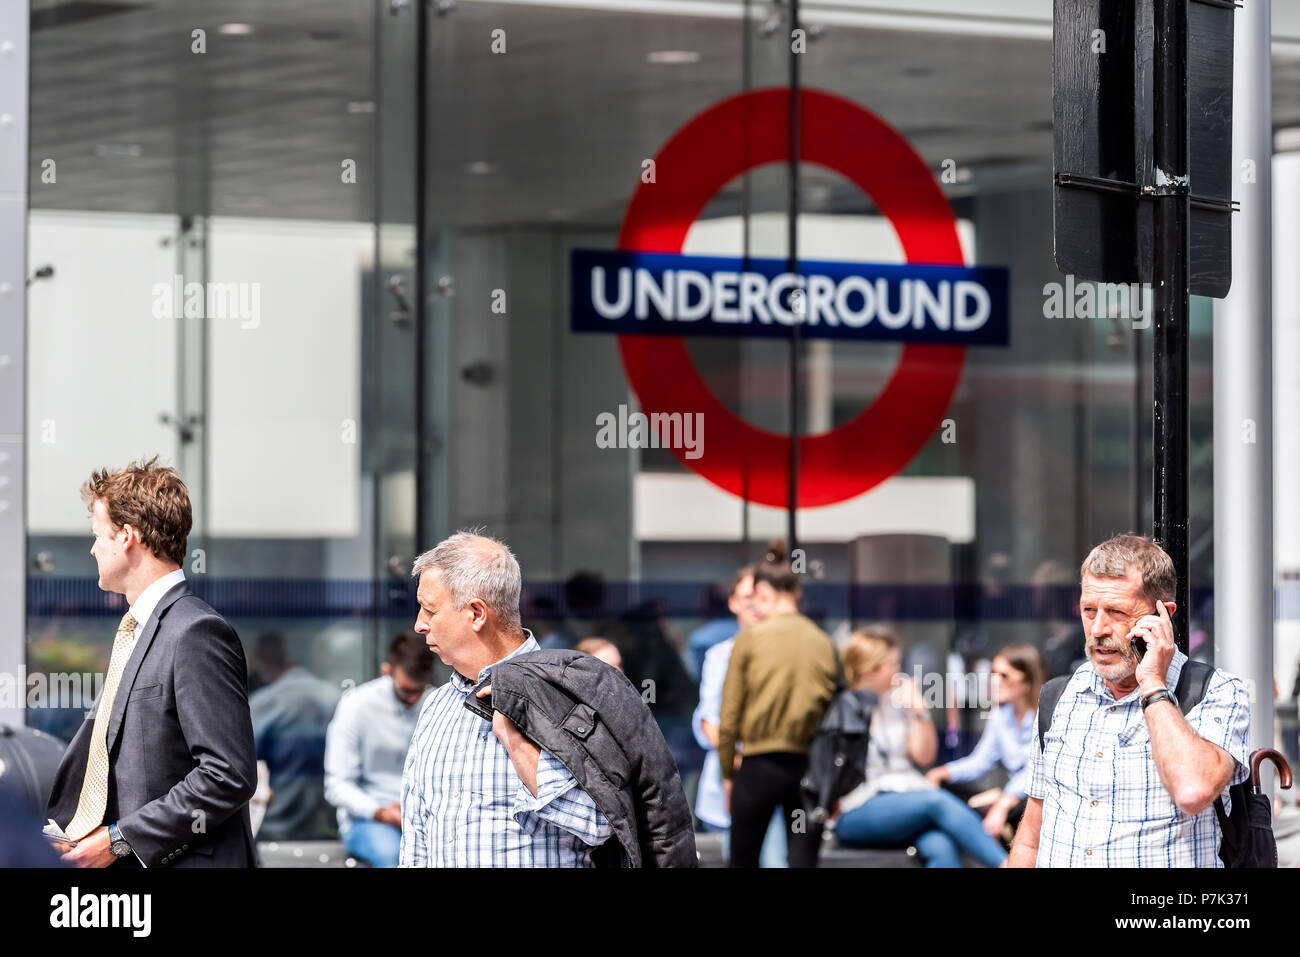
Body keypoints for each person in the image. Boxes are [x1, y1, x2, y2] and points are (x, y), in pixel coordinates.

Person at [46, 457, 258, 867]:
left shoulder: (196, 632)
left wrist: (120, 840)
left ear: (127, 536)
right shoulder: (140, 629)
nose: (92, 549)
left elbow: (228, 774)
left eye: (97, 535)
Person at [1009, 534, 1252, 868]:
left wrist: (1153, 684)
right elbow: (1030, 839)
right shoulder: (1059, 696)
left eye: (1117, 612)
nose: (1097, 628)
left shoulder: (1216, 692)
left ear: (1163, 616)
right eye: (1088, 610)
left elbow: (1193, 791)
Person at [400, 532, 614, 866]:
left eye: (430, 610)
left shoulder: (567, 693)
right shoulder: (436, 704)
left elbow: (600, 824)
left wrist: (518, 743)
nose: (419, 625)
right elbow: (416, 833)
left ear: (476, 614)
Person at [832, 627, 1008, 868]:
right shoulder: (844, 707)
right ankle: (1009, 864)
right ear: (869, 668)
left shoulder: (896, 702)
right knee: (936, 802)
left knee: (941, 846)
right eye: (891, 664)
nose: (897, 670)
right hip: (859, 807)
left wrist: (920, 710)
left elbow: (924, 757)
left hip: (907, 800)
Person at [718, 541, 838, 868]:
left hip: (758, 766)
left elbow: (728, 717)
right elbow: (840, 716)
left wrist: (728, 772)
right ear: (797, 593)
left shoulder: (750, 640)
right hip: (809, 769)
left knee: (743, 859)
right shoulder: (823, 642)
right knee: (802, 860)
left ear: (763, 592)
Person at [692, 566, 787, 867]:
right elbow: (709, 718)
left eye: (761, 597)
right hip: (739, 773)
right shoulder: (720, 654)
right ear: (733, 602)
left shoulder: (786, 650)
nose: (755, 606)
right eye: (747, 598)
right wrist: (737, 761)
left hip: (775, 771)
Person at [323, 632, 434, 867]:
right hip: (369, 817)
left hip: (425, 816)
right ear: (387, 671)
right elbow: (337, 784)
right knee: (395, 857)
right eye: (406, 691)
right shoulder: (356, 705)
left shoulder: (435, 702)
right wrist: (381, 812)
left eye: (420, 690)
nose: (414, 698)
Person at [926, 643, 1044, 839]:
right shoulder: (1000, 715)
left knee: (1023, 807)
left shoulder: (1045, 716)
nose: (995, 681)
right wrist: (942, 772)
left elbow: (1037, 771)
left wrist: (1005, 801)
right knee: (947, 791)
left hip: (1034, 800)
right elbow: (981, 761)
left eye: (1004, 676)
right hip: (1012, 798)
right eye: (994, 673)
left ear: (1026, 682)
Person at [248, 632, 339, 840]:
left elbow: (246, 760)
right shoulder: (331, 695)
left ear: (261, 664)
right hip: (323, 817)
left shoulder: (263, 703)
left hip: (275, 820)